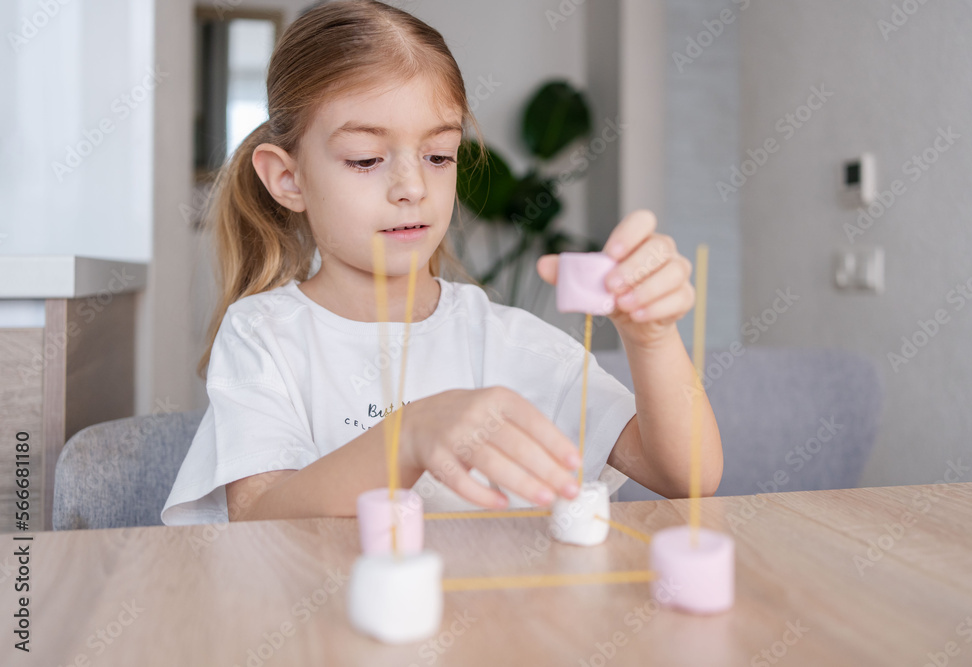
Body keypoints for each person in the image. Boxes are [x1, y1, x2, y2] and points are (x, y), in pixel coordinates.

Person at [161, 0, 722, 526]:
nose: (412, 187)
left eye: (437, 155)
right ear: (288, 178)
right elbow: (259, 516)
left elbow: (686, 476)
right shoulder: (264, 335)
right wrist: (406, 437)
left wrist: (652, 339)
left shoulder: (506, 344)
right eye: (366, 159)